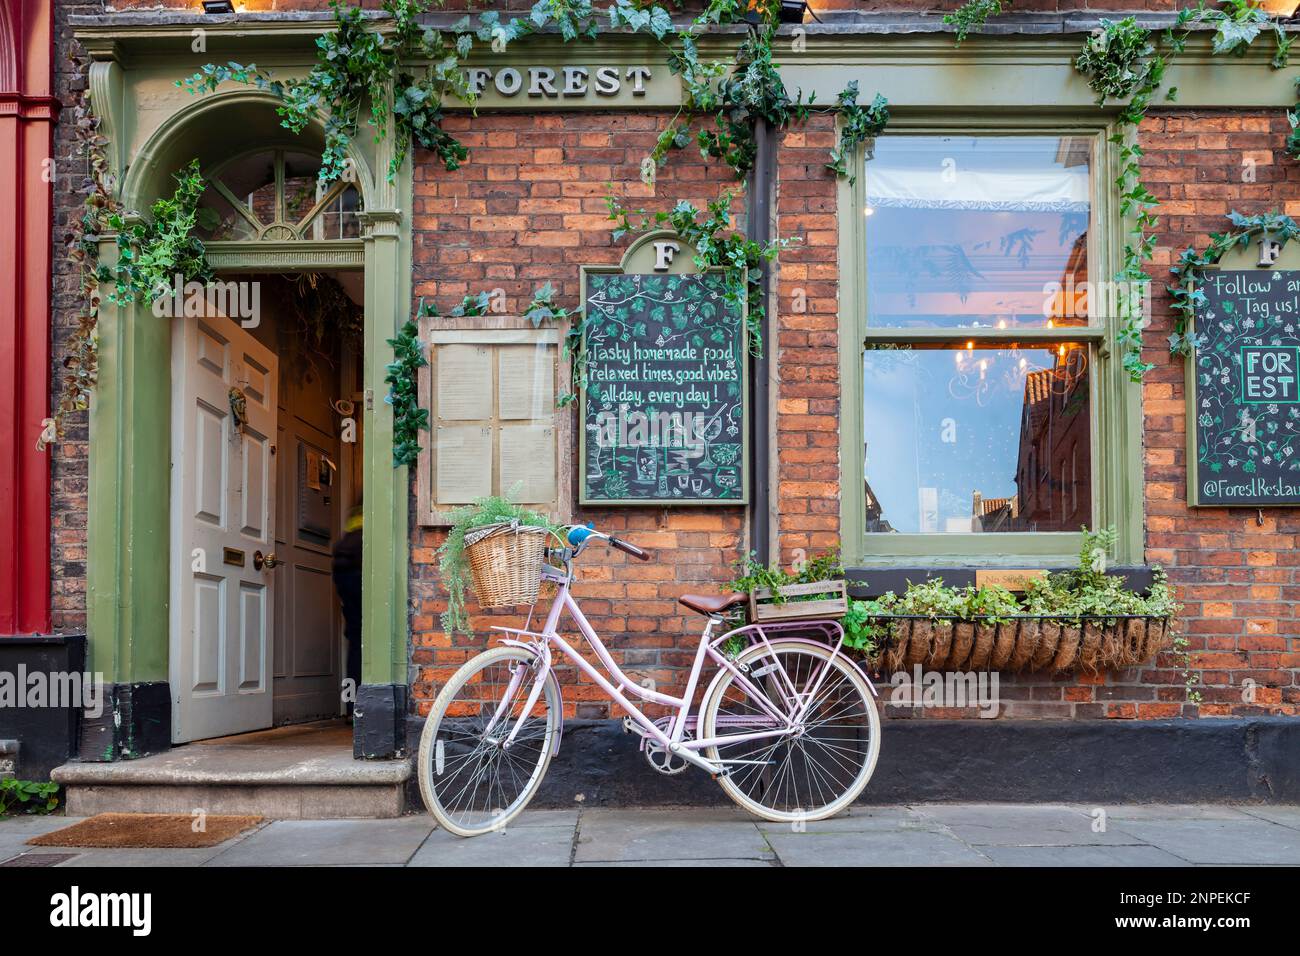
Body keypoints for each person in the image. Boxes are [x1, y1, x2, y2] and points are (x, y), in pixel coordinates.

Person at [332, 501, 363, 719]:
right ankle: (359, 708)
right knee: (366, 643)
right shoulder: (374, 513)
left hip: (345, 575)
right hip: (361, 573)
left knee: (356, 643)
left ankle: (353, 707)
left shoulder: (354, 517)